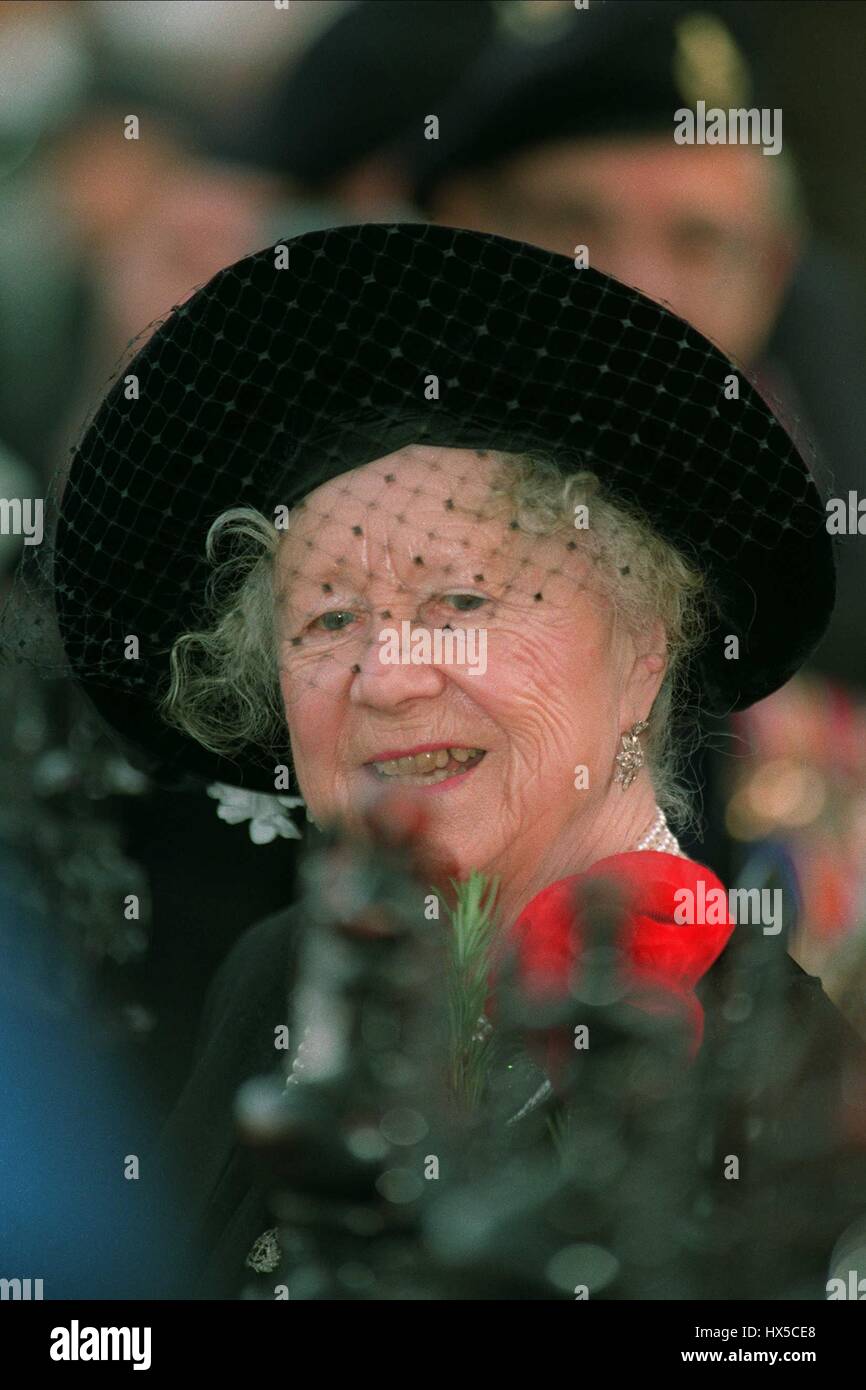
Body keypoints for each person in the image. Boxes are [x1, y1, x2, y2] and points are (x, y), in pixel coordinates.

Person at [28, 222, 864, 1298]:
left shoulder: (778, 1082)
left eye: (462, 601)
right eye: (328, 620)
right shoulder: (277, 979)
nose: (387, 678)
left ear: (643, 646)